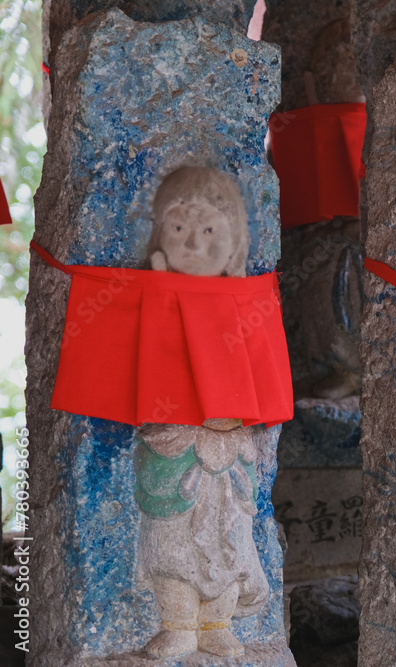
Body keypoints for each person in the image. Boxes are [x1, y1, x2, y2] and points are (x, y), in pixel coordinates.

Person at [136, 167, 269, 658]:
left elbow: (264, 382)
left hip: (229, 453)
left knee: (232, 540)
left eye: (209, 230)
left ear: (234, 240)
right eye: (177, 229)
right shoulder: (151, 302)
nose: (192, 242)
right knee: (168, 541)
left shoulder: (250, 305)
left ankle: (218, 624)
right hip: (172, 449)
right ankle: (179, 625)